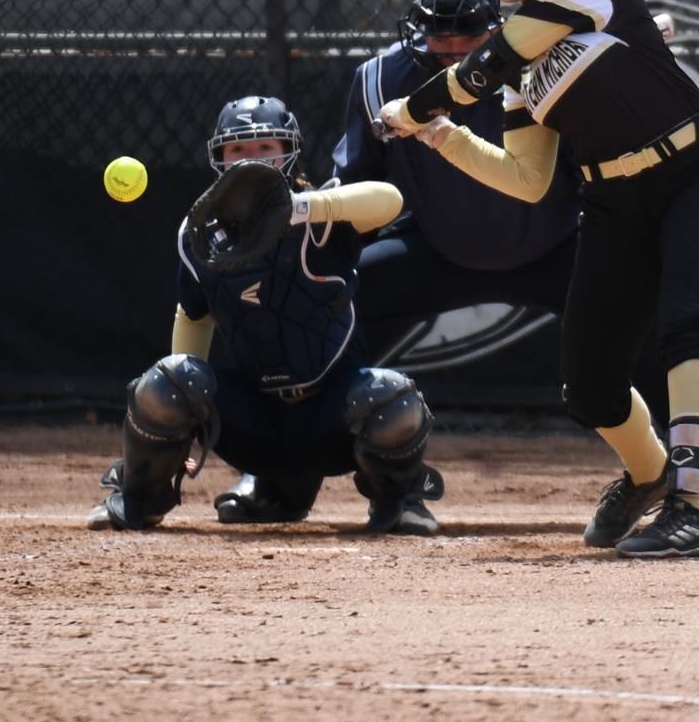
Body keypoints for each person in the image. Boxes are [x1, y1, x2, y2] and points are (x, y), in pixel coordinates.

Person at [283, 0, 699, 529]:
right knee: (325, 309)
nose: (452, 50)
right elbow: (356, 185)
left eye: (467, 38)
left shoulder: (544, 68)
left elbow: (563, 167)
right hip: (437, 246)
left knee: (670, 329)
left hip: (554, 244)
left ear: (497, 34)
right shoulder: (380, 80)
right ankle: (282, 477)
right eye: (440, 39)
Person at [377, 0, 699, 559]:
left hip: (695, 172)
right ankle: (651, 475)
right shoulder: (523, 72)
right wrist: (441, 136)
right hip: (612, 199)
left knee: (687, 330)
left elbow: (485, 65)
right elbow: (527, 179)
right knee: (588, 382)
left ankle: (693, 508)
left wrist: (413, 109)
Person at [86, 95, 444, 535]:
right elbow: (194, 318)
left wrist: (297, 209)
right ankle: (140, 499)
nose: (250, 158)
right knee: (169, 381)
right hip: (253, 422)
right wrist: (185, 424)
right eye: (237, 149)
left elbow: (389, 200)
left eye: (265, 147)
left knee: (391, 397)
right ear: (218, 158)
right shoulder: (202, 234)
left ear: (288, 152)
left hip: (331, 422)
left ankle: (398, 502)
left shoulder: (322, 212)